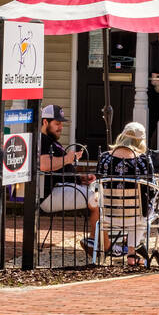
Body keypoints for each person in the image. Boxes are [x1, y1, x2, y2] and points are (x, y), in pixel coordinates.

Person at [35, 104, 99, 245]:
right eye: (57, 123)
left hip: (61, 187)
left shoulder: (51, 141)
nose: (60, 127)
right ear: (45, 122)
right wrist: (67, 159)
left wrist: (80, 179)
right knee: (98, 200)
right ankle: (96, 242)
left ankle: (102, 240)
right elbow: (44, 165)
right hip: (49, 194)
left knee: (100, 194)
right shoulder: (42, 140)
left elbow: (60, 169)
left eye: (61, 124)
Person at [96, 121, 158, 260]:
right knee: (145, 207)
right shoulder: (143, 160)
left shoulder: (104, 158)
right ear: (141, 141)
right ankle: (132, 253)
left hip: (108, 214)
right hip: (135, 216)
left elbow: (97, 183)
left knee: (140, 208)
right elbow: (152, 189)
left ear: (122, 137)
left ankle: (121, 252)